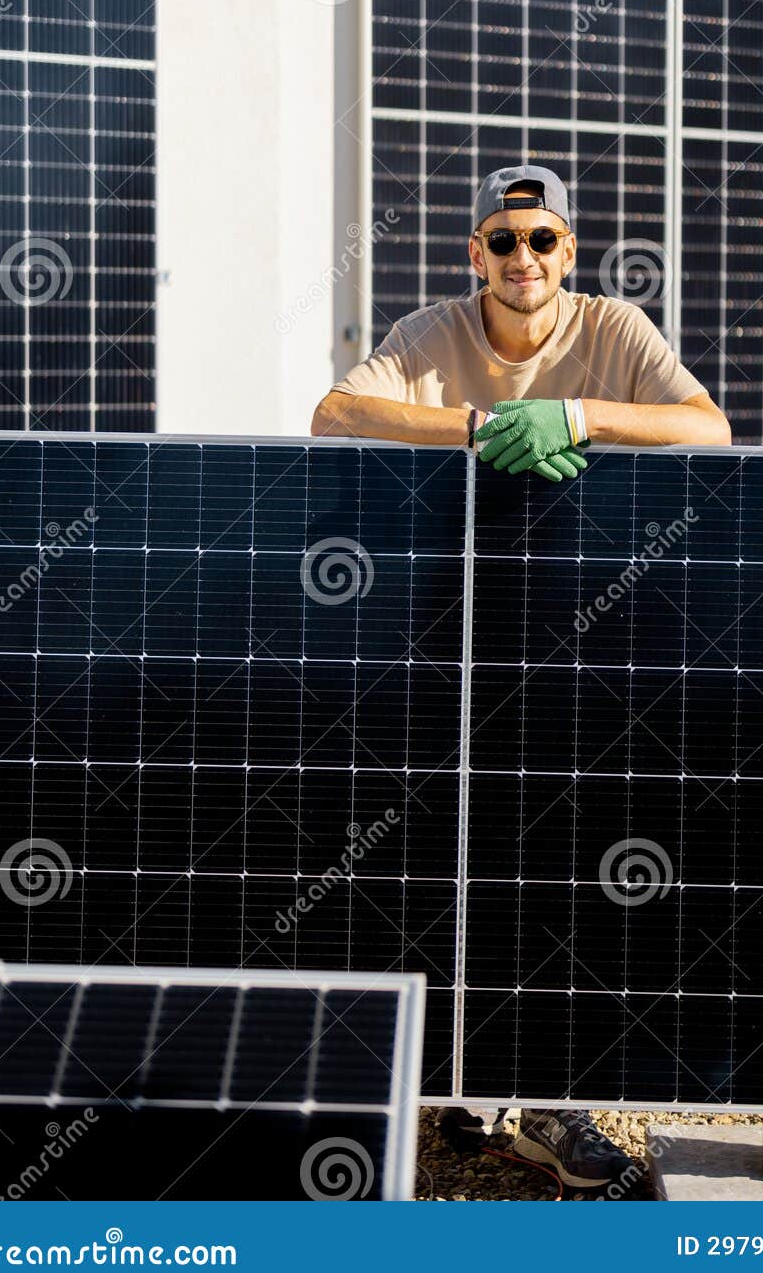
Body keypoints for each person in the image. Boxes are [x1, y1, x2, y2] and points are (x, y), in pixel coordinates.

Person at [311, 165, 731, 1195]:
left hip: (587, 637)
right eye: (502, 241)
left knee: (560, 847)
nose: (522, 259)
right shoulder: (428, 333)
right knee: (435, 844)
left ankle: (547, 1090)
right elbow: (333, 414)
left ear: (566, 250)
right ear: (474, 253)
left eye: (541, 239)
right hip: (441, 632)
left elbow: (706, 427)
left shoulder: (612, 328)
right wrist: (471, 429)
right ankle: (455, 1072)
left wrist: (578, 417)